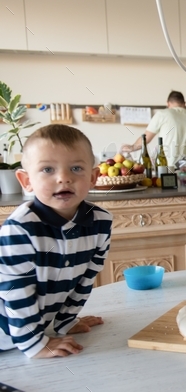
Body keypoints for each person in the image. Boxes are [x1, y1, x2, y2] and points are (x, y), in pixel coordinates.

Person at [0, 124, 113, 358]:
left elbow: (85, 279)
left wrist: (66, 322)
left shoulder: (101, 222)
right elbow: (15, 290)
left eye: (76, 168)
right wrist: (36, 344)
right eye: (48, 169)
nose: (63, 178)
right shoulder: (19, 228)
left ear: (93, 177)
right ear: (26, 180)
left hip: (40, 328)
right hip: (7, 332)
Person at [120, 90, 186, 167]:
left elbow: (146, 139)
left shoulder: (162, 114)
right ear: (184, 103)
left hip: (169, 167)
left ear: (168, 103)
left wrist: (132, 147)